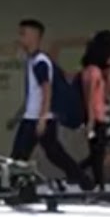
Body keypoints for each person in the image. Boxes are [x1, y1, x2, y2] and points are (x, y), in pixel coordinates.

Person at [7, 19, 92, 189]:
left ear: (34, 36)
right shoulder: (33, 61)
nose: (20, 38)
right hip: (34, 117)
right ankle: (84, 180)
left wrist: (43, 118)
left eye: (23, 34)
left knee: (19, 157)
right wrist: (17, 117)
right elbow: (33, 95)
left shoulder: (40, 62)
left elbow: (47, 90)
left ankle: (12, 186)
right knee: (54, 153)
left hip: (37, 119)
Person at [78, 30, 110, 185]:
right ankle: (87, 175)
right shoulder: (98, 70)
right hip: (101, 112)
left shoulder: (105, 66)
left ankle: (81, 172)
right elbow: (103, 92)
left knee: (103, 151)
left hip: (104, 110)